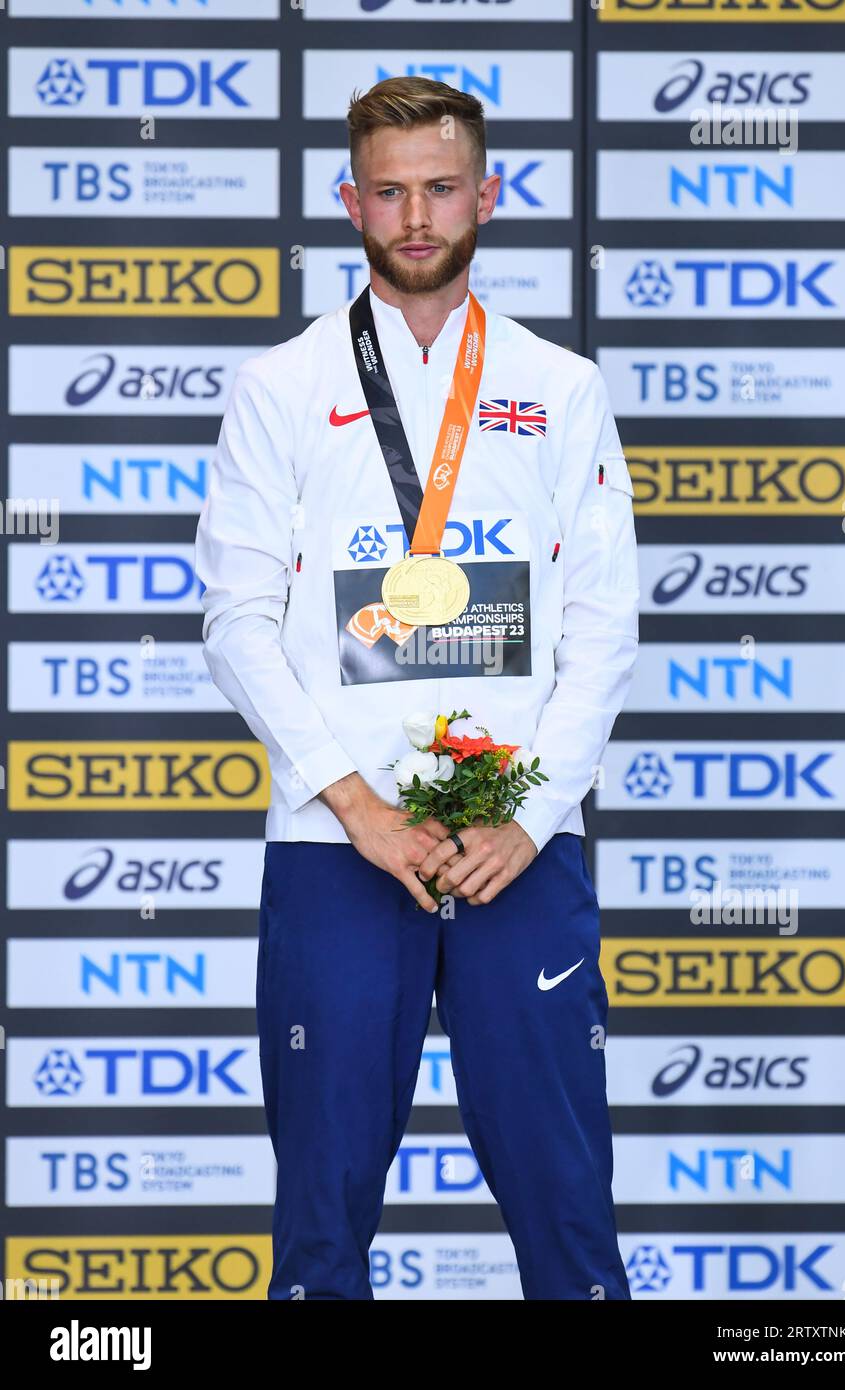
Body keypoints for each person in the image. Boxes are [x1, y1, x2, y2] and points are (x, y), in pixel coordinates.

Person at [194, 75, 640, 1302]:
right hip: (339, 842)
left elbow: (605, 628)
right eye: (388, 191)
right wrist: (357, 804)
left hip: (516, 840)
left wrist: (529, 814)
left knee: (564, 1201)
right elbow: (236, 624)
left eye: (441, 187)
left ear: (486, 193)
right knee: (322, 1210)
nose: (417, 214)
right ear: (351, 202)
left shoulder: (560, 385)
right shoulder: (280, 385)